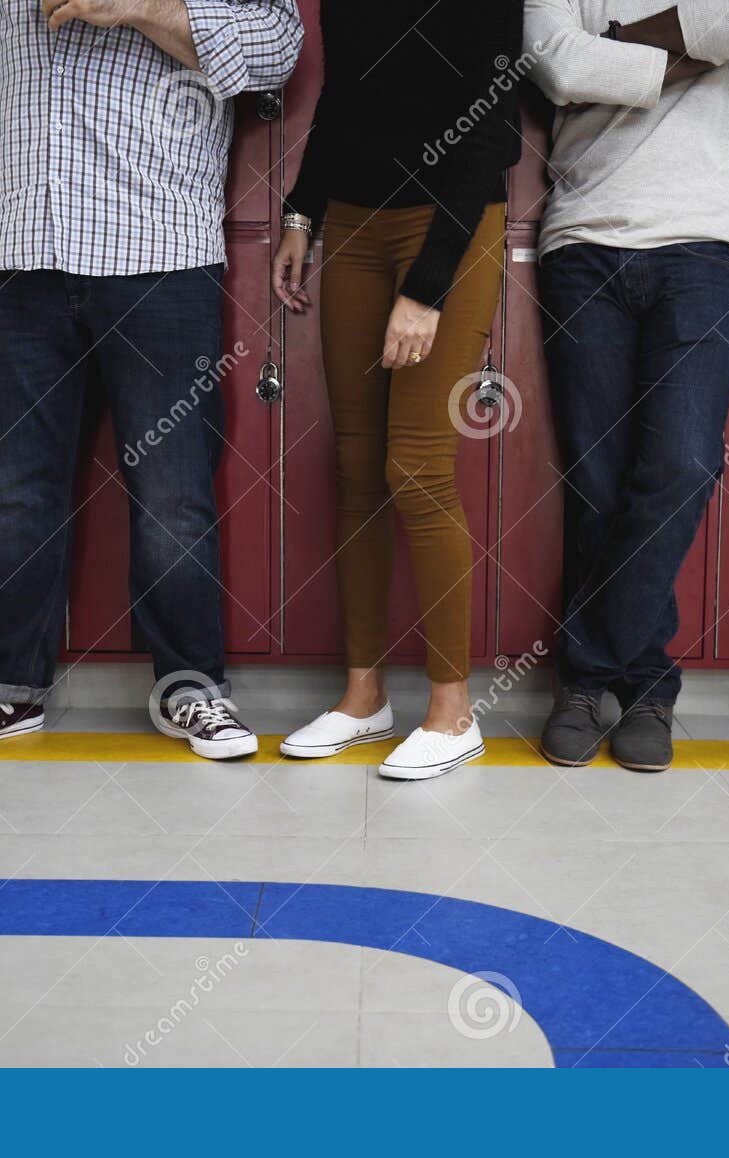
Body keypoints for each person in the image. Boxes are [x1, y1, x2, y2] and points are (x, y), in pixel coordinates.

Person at [0, 0, 303, 761]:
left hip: (161, 248)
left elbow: (276, 47)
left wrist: (137, 7)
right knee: (17, 492)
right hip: (16, 245)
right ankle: (6, 692)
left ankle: (191, 689)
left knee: (172, 495)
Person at [526, 0, 729, 772]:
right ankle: (643, 690)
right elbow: (554, 64)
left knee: (682, 465)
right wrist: (690, 45)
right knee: (600, 484)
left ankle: (588, 671)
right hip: (584, 237)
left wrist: (610, 48)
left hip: (699, 240)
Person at [271, 0, 521, 781]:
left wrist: (428, 287)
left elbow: (489, 127)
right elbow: (343, 98)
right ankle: (362, 697)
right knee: (355, 468)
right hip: (352, 221)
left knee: (415, 468)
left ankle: (453, 713)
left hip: (450, 220)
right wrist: (301, 216)